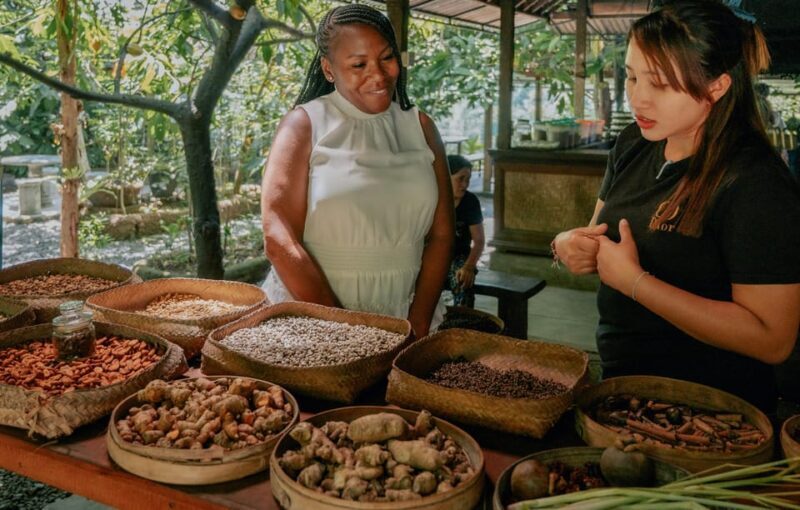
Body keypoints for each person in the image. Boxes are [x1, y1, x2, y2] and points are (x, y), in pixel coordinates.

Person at [551, 0, 800, 411]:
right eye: (631, 77)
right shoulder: (634, 143)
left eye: (661, 84)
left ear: (717, 86)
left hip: (710, 411)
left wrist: (636, 282)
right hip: (622, 390)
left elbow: (773, 339)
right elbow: (596, 233)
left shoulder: (755, 181)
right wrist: (566, 244)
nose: (638, 99)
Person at [260, 5, 454, 338]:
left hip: (403, 313)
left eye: (387, 58)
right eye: (359, 64)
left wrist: (418, 324)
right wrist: (342, 330)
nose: (378, 75)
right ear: (329, 69)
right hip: (313, 316)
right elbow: (278, 237)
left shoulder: (420, 127)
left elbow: (442, 234)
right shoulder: (305, 124)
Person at [445, 154, 485, 307]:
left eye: (467, 179)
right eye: (460, 179)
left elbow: (479, 241)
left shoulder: (470, 202)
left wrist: (469, 266)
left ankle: (463, 324)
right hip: (434, 255)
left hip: (460, 258)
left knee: (463, 280)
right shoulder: (433, 199)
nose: (465, 184)